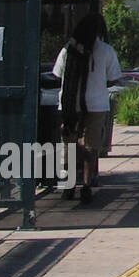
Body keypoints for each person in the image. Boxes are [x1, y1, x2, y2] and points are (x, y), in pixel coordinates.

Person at [53, 13, 122, 204]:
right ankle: (86, 185)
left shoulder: (68, 49)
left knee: (70, 144)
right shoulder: (106, 51)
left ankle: (68, 185)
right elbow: (113, 78)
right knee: (91, 146)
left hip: (69, 105)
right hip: (96, 104)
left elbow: (57, 74)